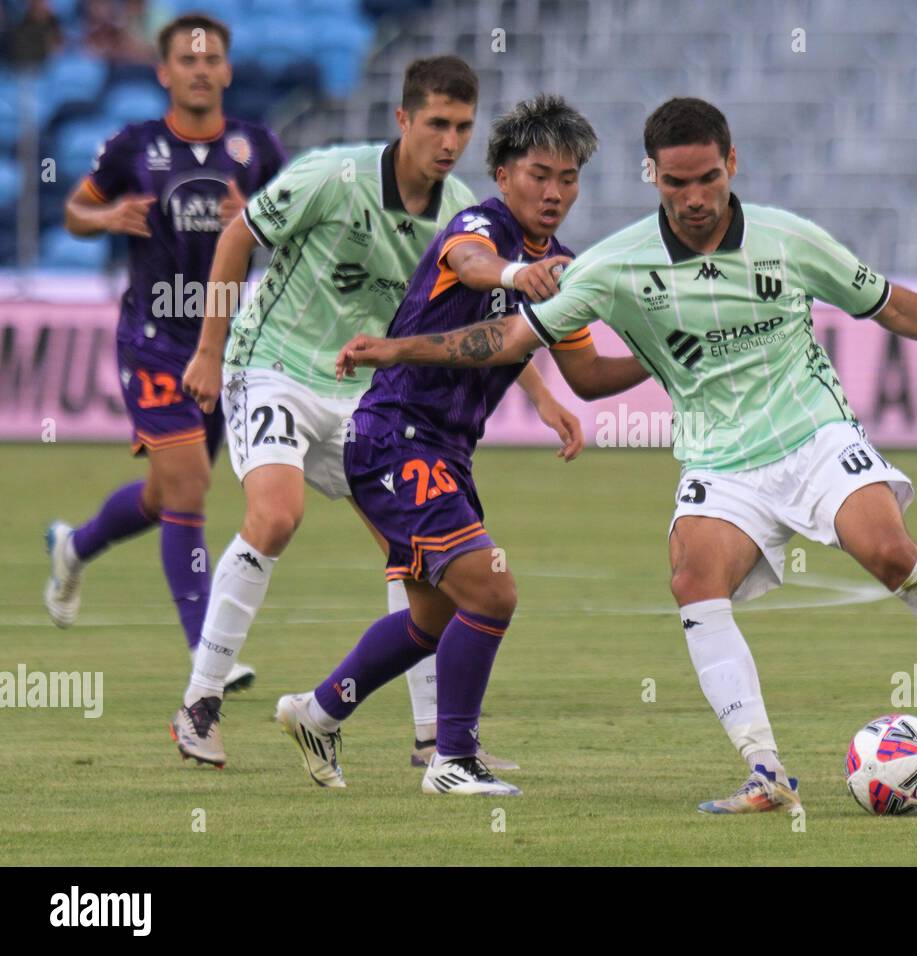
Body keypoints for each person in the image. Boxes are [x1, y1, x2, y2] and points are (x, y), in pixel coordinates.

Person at [336, 97, 917, 814]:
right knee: (692, 580)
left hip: (813, 435)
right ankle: (766, 770)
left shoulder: (787, 237)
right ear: (654, 177)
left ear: (731, 164)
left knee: (887, 550)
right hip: (720, 460)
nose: (695, 197)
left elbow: (890, 303)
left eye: (708, 177)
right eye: (677, 183)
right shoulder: (614, 264)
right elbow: (507, 338)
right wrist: (396, 347)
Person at [170, 56, 580, 769]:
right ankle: (200, 704)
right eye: (435, 124)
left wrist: (543, 396)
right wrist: (209, 350)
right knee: (276, 515)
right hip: (273, 366)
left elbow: (476, 324)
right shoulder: (337, 175)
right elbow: (238, 234)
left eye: (461, 126)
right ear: (403, 119)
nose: (448, 141)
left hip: (361, 391)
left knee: (420, 555)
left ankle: (429, 740)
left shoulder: (458, 209)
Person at [277, 94, 648, 794]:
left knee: (431, 616)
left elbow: (588, 374)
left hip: (444, 449)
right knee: (493, 591)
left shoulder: (561, 264)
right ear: (504, 174)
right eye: (540, 173)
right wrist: (515, 275)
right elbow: (477, 265)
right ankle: (451, 760)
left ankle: (318, 713)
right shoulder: (479, 225)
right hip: (394, 438)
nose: (555, 191)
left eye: (569, 179)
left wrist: (663, 361)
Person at [46, 14, 283, 697]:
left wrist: (260, 218)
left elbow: (296, 231)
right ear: (164, 72)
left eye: (211, 59)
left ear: (228, 71)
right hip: (153, 342)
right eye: (187, 59)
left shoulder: (257, 148)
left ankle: (75, 548)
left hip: (226, 345)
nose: (200, 69)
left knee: (163, 495)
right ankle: (209, 657)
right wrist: (105, 218)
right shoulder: (133, 146)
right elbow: (72, 213)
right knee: (188, 490)